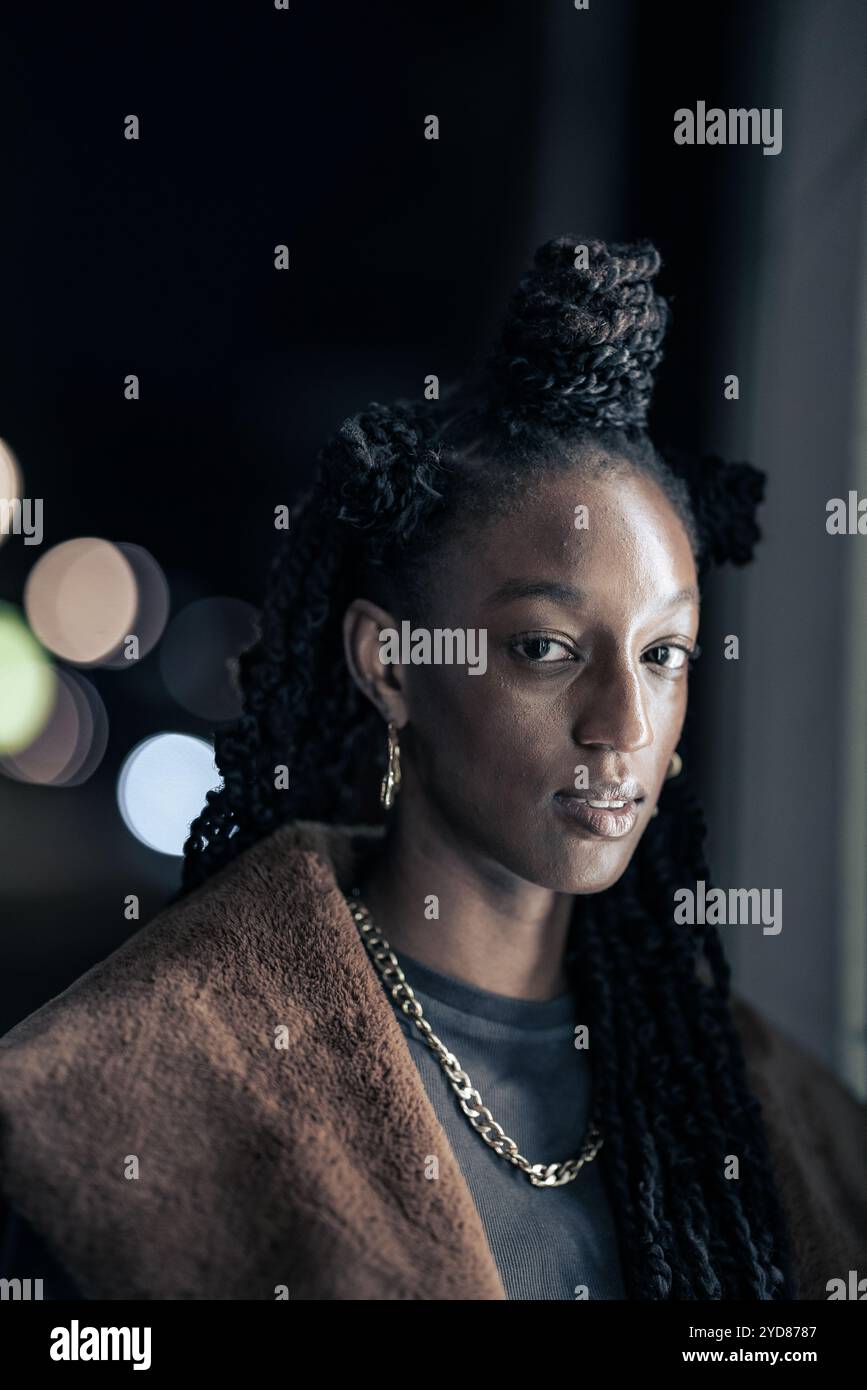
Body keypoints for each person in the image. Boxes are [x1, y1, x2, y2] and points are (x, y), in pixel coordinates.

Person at [1, 236, 865, 1301]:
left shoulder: (773, 1109)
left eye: (663, 655)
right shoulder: (134, 1078)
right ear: (390, 662)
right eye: (546, 649)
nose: (622, 723)